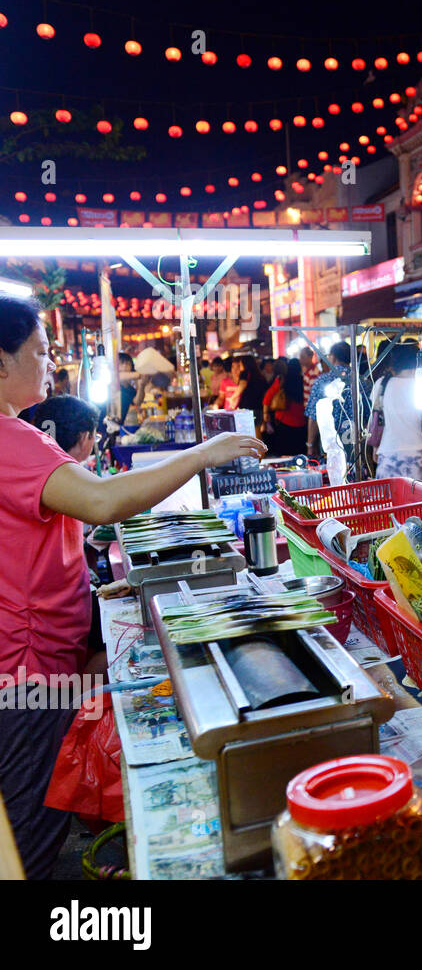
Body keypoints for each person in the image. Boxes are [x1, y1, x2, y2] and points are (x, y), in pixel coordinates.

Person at [0, 298, 264, 879]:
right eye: (41, 352)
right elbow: (101, 501)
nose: (50, 365)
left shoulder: (16, 435)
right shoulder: (9, 440)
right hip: (26, 668)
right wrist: (202, 455)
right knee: (27, 832)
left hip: (31, 657)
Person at [370, 342, 422, 484]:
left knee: (390, 503)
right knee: (419, 503)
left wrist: (375, 448)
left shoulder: (381, 384)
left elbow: (376, 420)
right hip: (416, 452)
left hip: (388, 453)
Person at [307, 342, 355, 461]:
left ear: (332, 357)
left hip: (329, 440)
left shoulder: (322, 380)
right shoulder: (361, 380)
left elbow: (313, 417)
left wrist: (310, 445)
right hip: (357, 440)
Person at [263, 357, 308, 456]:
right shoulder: (304, 380)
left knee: (285, 452)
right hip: (301, 420)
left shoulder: (282, 380)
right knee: (299, 452)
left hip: (284, 420)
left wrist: (266, 414)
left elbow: (267, 397)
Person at [230, 354, 268, 429]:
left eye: (240, 365)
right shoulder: (260, 376)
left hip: (247, 408)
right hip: (259, 408)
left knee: (247, 432)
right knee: (257, 432)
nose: (240, 368)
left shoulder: (245, 373)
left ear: (245, 365)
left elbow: (242, 385)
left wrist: (233, 397)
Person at [117, 352, 140, 419]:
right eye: (121, 363)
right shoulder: (112, 382)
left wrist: (141, 386)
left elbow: (136, 402)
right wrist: (140, 374)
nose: (124, 366)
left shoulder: (130, 389)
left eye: (127, 364)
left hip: (120, 425)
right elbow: (117, 377)